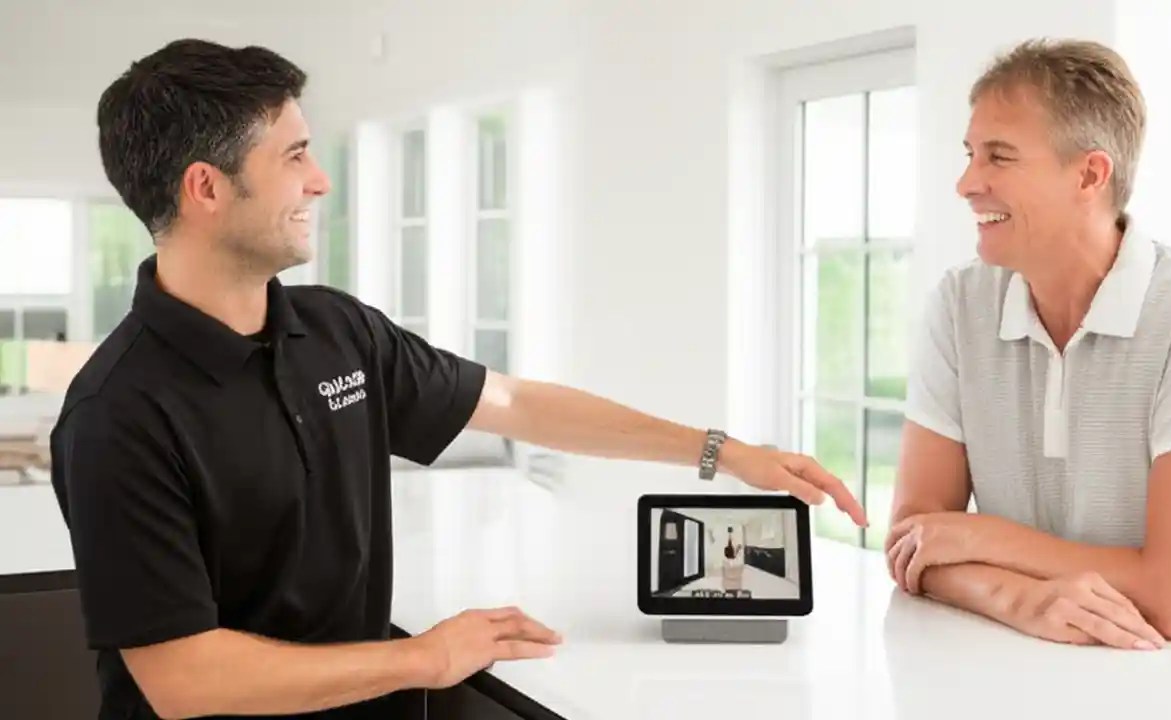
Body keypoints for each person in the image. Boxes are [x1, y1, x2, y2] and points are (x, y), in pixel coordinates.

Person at [49, 39, 869, 720]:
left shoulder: (337, 330)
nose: (319, 180)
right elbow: (181, 675)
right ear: (206, 187)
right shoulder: (116, 414)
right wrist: (422, 657)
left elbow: (512, 403)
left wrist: (724, 453)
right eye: (295, 155)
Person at [884, 38, 1171, 664]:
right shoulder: (959, 305)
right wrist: (1016, 599)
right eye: (969, 154)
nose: (966, 182)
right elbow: (912, 544)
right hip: (1033, 675)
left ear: (1090, 175)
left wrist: (980, 537)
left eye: (999, 157)